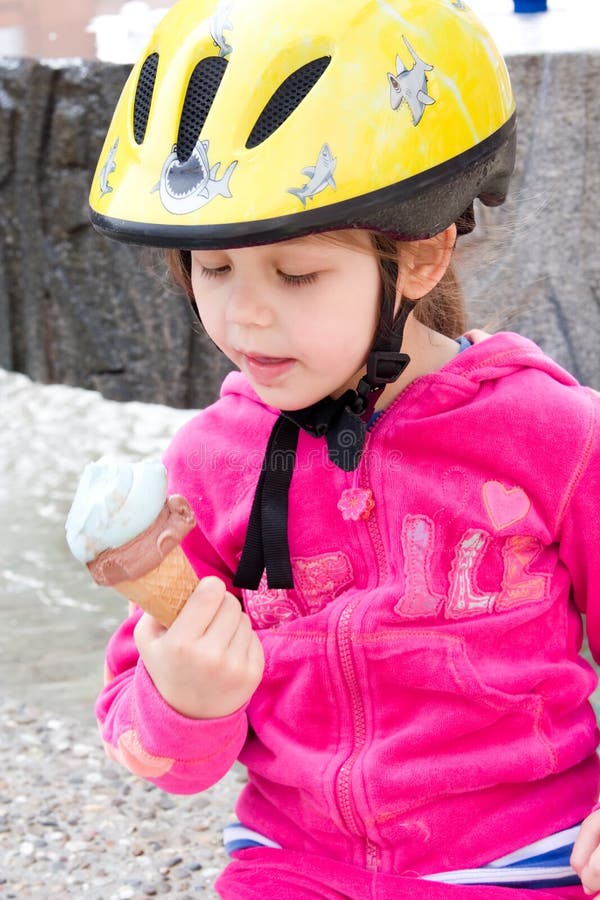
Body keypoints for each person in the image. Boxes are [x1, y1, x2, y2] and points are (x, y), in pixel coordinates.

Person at [88, 0, 600, 896]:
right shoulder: (207, 470)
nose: (245, 315)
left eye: (297, 274)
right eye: (215, 270)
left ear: (423, 256)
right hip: (295, 864)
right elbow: (159, 758)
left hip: (526, 858)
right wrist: (183, 701)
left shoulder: (551, 436)